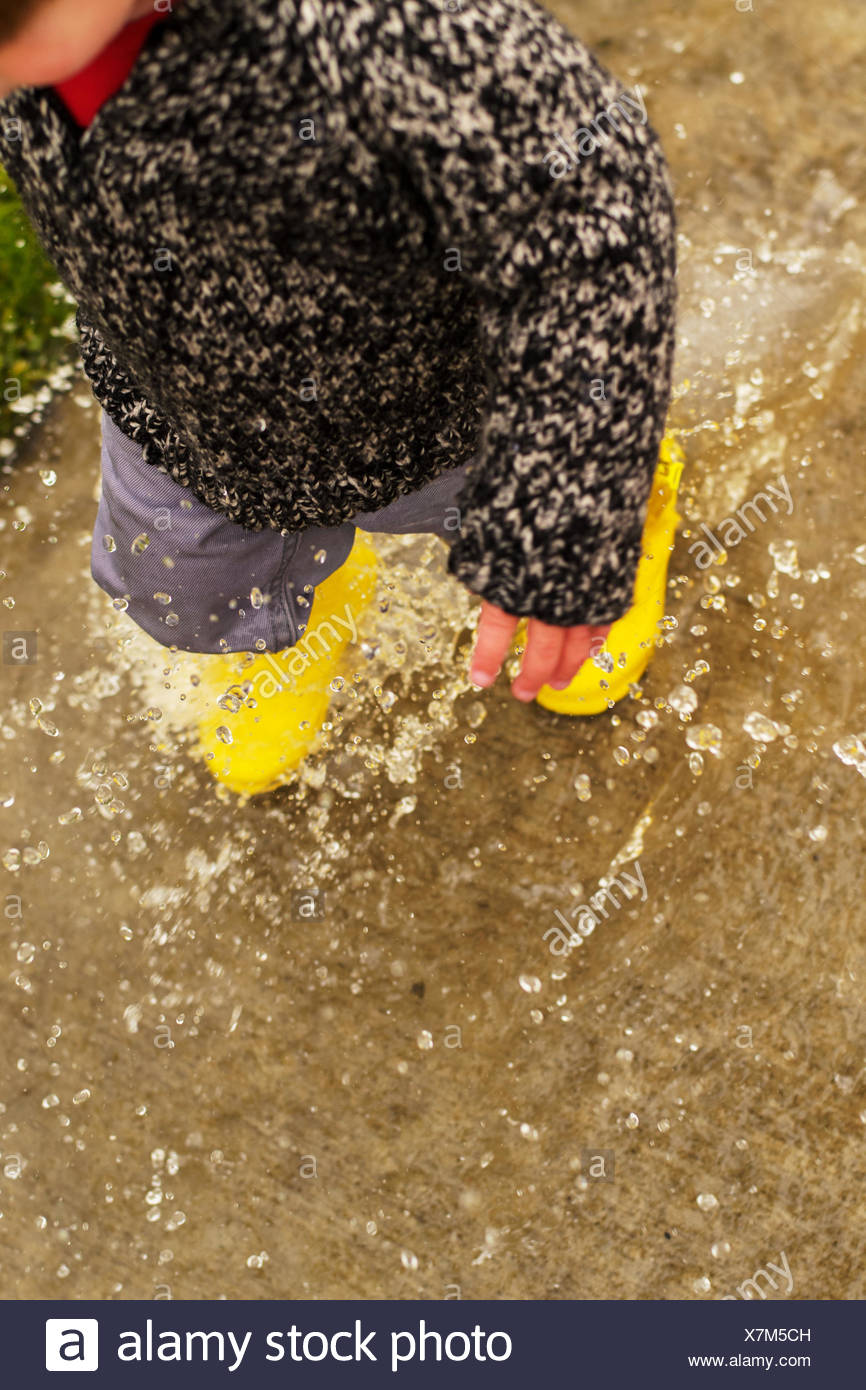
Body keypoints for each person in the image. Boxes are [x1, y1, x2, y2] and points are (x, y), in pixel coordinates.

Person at [0, 0, 676, 704]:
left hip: (440, 407)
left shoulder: (377, 29)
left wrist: (579, 494)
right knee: (178, 591)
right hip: (175, 414)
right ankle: (297, 600)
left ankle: (633, 503)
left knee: (519, 502)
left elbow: (595, 200)